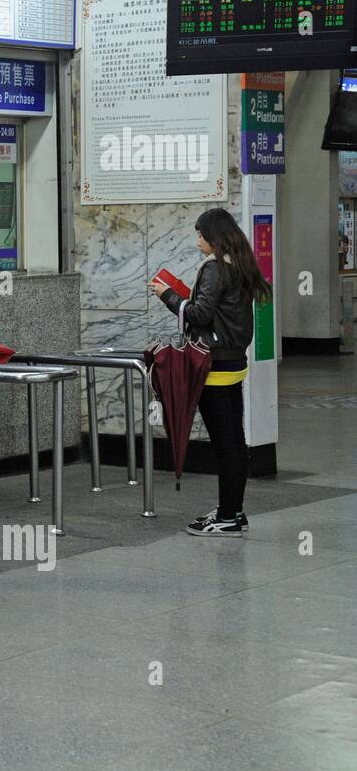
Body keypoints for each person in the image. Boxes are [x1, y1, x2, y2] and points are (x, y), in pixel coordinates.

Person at [150, 208, 271, 538]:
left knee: (225, 445)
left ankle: (229, 515)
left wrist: (168, 296)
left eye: (201, 235)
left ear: (215, 237)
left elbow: (201, 314)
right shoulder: (239, 262)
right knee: (235, 440)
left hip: (213, 366)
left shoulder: (216, 268)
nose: (198, 241)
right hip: (233, 363)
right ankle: (233, 511)